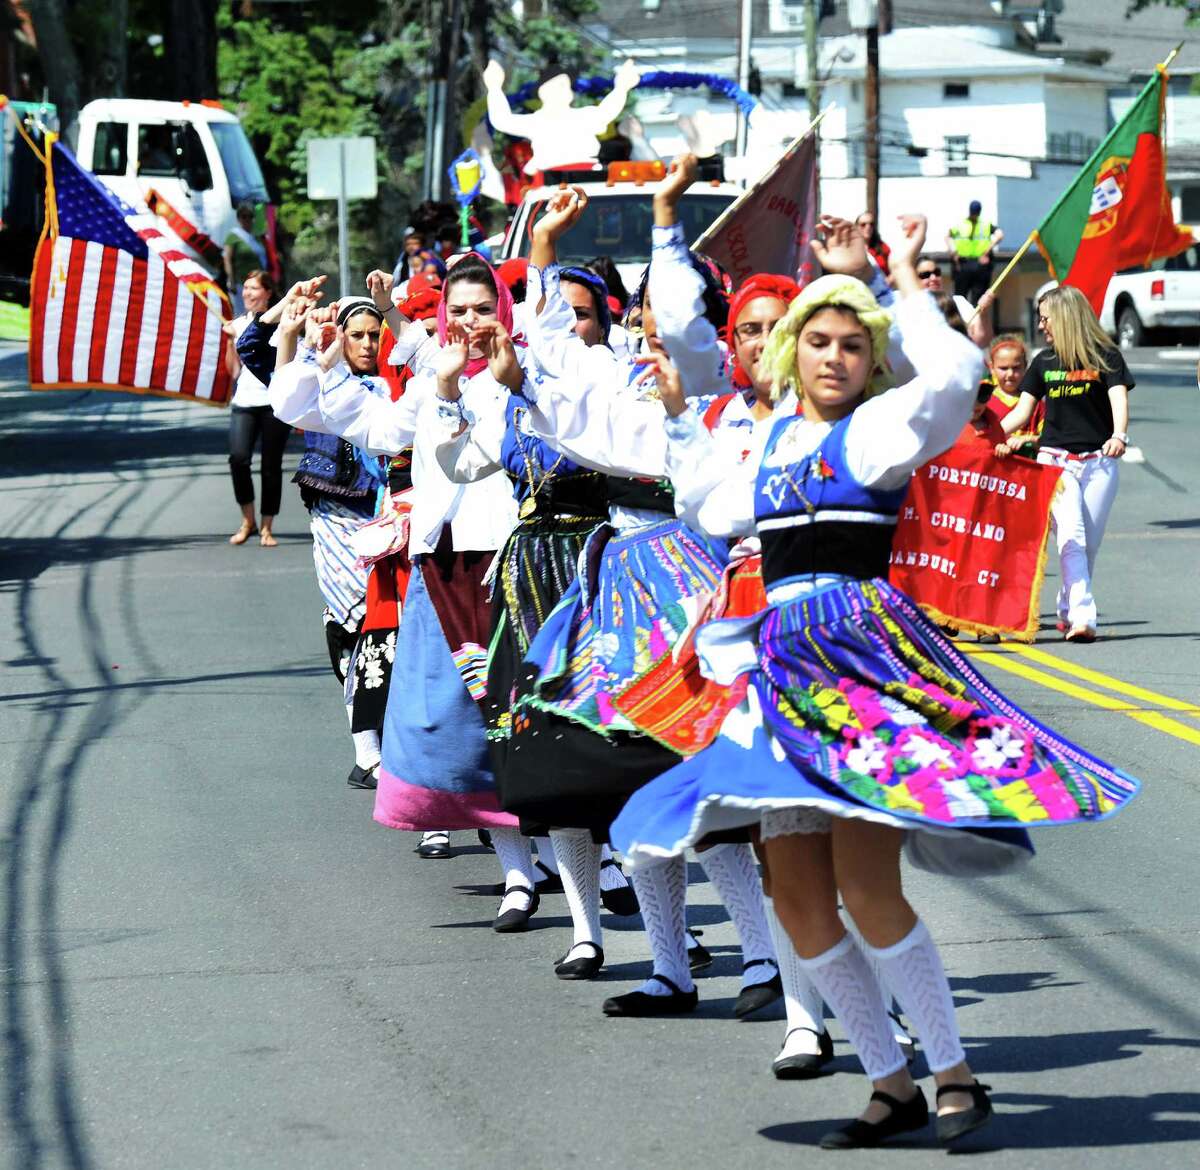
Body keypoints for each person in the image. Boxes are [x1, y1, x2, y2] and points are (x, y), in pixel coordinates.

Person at [609, 213, 1139, 1149]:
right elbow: (705, 508)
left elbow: (956, 377)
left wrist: (891, 276)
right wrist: (684, 413)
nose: (835, 357)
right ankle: (890, 1085)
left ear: (871, 360)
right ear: (790, 350)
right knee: (797, 902)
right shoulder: (764, 445)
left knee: (867, 888)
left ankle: (955, 1074)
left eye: (853, 345)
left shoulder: (880, 433)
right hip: (779, 673)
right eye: (818, 340)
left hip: (858, 674)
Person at [995, 285, 1132, 642]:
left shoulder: (1107, 357)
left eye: (1046, 318)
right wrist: (983, 435)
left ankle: (1068, 605)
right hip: (1055, 463)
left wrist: (1119, 435)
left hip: (1099, 462)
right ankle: (1083, 617)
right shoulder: (1044, 362)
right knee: (1071, 537)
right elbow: (1021, 411)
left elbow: (1118, 399)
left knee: (1089, 545)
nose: (1041, 325)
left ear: (1065, 317)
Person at [945, 200, 1002, 305]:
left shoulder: (981, 225)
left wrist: (987, 251)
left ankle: (975, 315)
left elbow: (1000, 235)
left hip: (976, 264)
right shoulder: (979, 225)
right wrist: (953, 252)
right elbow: (947, 236)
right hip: (965, 263)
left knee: (974, 299)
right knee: (961, 299)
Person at [223, 201, 268, 313]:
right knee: (242, 314)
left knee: (258, 313)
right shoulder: (233, 236)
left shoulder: (257, 237)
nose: (247, 219)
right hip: (241, 284)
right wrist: (231, 280)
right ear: (238, 218)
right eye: (244, 216)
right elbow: (227, 259)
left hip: (259, 283)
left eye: (250, 216)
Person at [856, 211, 891, 276]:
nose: (868, 227)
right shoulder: (850, 248)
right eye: (863, 225)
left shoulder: (883, 247)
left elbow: (894, 270)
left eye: (871, 224)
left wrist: (889, 279)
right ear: (856, 227)